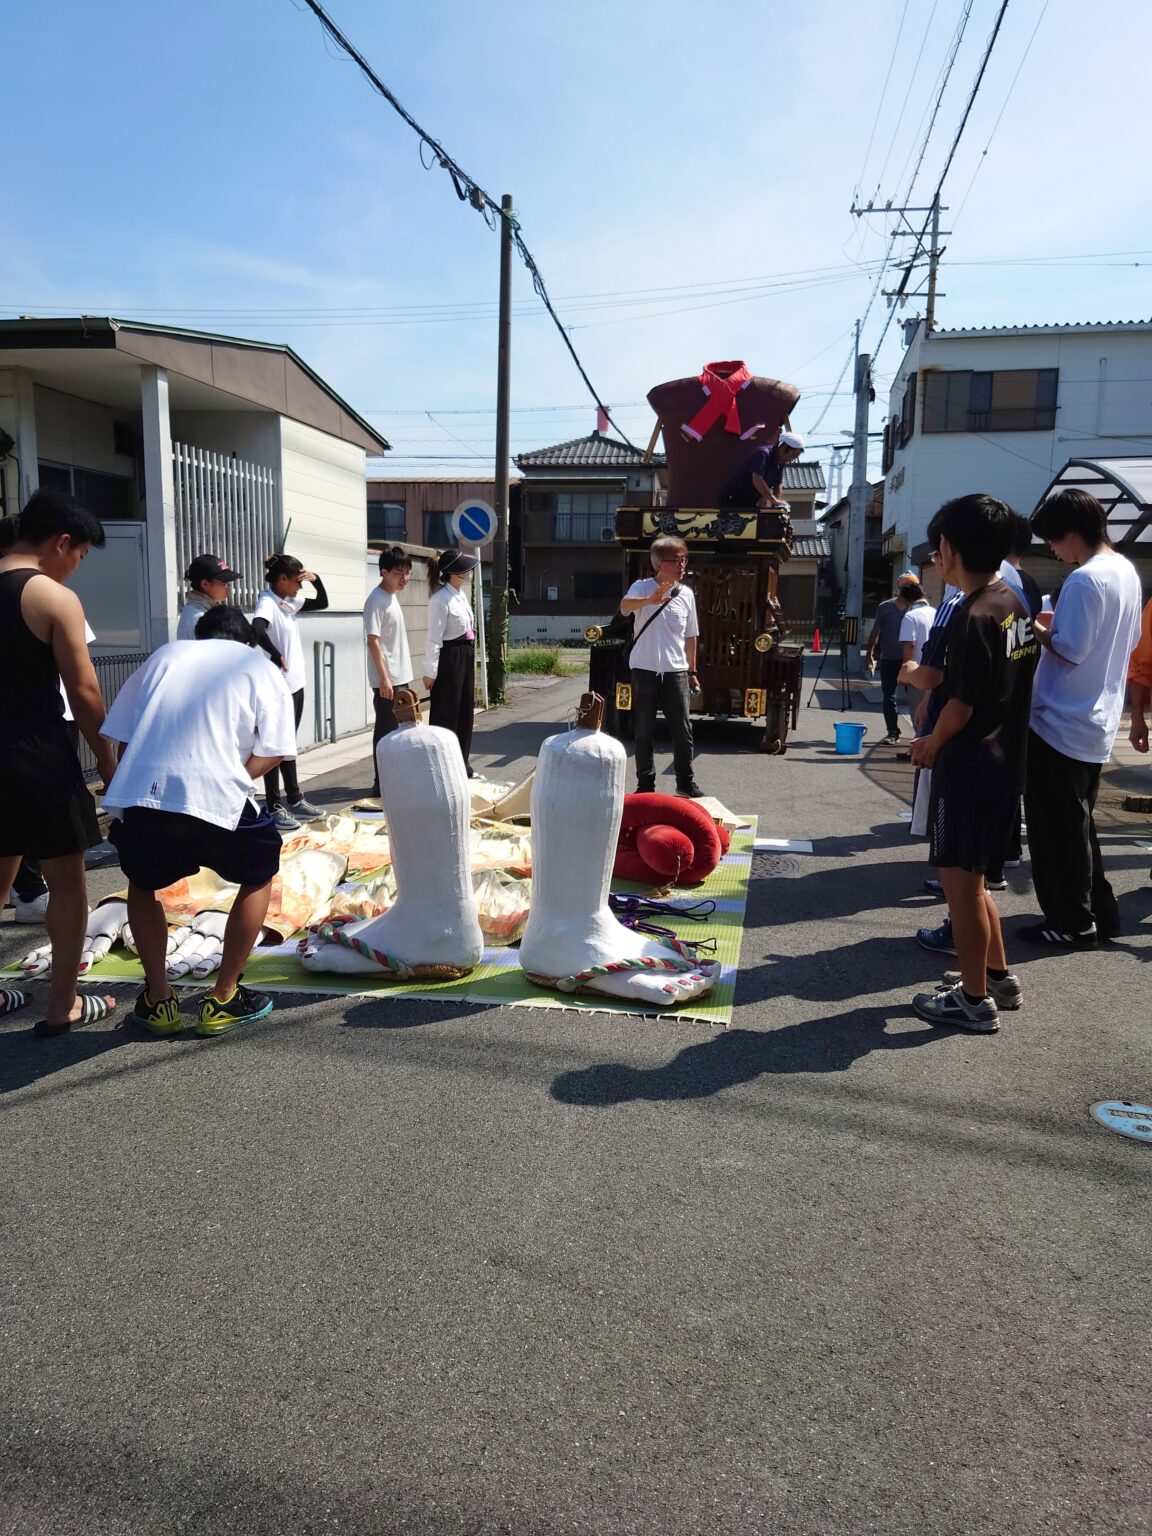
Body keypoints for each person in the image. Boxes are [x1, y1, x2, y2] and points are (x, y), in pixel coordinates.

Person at [101, 604, 296, 1038]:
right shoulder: (259, 665)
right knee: (259, 873)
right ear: (245, 639)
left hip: (145, 792)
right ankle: (224, 997)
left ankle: (159, 998)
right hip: (219, 792)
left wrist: (122, 786)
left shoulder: (164, 654)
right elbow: (273, 751)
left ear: (198, 634)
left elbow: (118, 732)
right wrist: (226, 783)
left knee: (144, 883)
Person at [908, 494, 1039, 1031]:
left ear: (948, 549)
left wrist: (929, 744)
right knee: (978, 880)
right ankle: (995, 977)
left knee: (960, 886)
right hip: (1006, 763)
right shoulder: (1012, 601)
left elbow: (959, 703)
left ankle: (973, 999)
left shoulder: (972, 613)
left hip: (968, 767)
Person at [0, 490, 118, 1035]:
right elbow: (86, 692)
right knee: (67, 883)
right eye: (81, 556)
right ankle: (62, 1005)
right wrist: (110, 763)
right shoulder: (50, 597)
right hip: (37, 756)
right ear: (62, 542)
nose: (77, 568)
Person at [1019, 488, 1142, 949]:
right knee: (1079, 825)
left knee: (1057, 832)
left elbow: (1070, 648)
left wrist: (1039, 630)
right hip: (1098, 717)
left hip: (1061, 719)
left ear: (1070, 532)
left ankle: (1072, 922)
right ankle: (1101, 914)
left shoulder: (1085, 580)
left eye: (1053, 540)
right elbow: (1126, 641)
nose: (1053, 550)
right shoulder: (1125, 571)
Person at [619, 534, 703, 798]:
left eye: (684, 559)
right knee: (643, 731)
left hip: (676, 672)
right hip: (644, 671)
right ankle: (645, 786)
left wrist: (692, 671)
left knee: (683, 731)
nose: (682, 565)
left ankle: (685, 782)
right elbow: (624, 608)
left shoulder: (686, 594)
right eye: (676, 560)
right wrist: (649, 601)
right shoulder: (642, 587)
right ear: (659, 564)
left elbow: (691, 636)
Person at [251, 554, 329, 830]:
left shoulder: (286, 603)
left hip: (295, 683)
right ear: (281, 579)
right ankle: (273, 805)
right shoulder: (268, 602)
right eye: (296, 582)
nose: (299, 588)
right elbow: (257, 629)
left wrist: (317, 581)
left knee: (288, 745)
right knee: (273, 745)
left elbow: (322, 602)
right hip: (277, 687)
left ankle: (295, 798)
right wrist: (274, 654)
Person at [363, 545, 414, 799]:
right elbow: (372, 641)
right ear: (383, 572)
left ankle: (394, 780)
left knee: (401, 731)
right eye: (398, 573)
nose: (404, 578)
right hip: (388, 680)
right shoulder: (376, 600)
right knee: (385, 732)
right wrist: (384, 679)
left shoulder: (392, 597)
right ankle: (380, 783)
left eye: (407, 572)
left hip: (399, 676)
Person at [423, 549, 479, 776]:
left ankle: (462, 761)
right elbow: (433, 638)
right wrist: (430, 671)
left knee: (466, 708)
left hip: (465, 653)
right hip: (450, 656)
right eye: (463, 569)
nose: (468, 573)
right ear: (453, 572)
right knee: (447, 710)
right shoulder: (440, 599)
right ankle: (442, 764)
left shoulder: (460, 594)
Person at [865, 575, 919, 745]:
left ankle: (919, 734)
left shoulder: (917, 609)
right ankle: (893, 732)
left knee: (916, 698)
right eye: (905, 586)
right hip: (889, 659)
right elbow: (875, 632)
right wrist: (869, 655)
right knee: (889, 696)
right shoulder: (885, 607)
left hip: (912, 661)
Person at [719, 431, 804, 511]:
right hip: (732, 500)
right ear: (784, 448)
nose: (791, 460)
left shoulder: (780, 462)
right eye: (792, 456)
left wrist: (775, 504)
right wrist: (772, 499)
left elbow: (778, 485)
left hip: (750, 503)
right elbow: (757, 478)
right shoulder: (763, 454)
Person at [176, 552, 242, 640]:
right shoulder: (199, 617)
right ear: (205, 584)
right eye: (224, 582)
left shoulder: (199, 610)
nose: (228, 586)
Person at [897, 579, 935, 728]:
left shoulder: (911, 616)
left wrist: (904, 674)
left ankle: (918, 750)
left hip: (917, 673)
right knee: (931, 716)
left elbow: (909, 645)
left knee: (918, 717)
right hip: (936, 671)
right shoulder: (936, 612)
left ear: (905, 600)